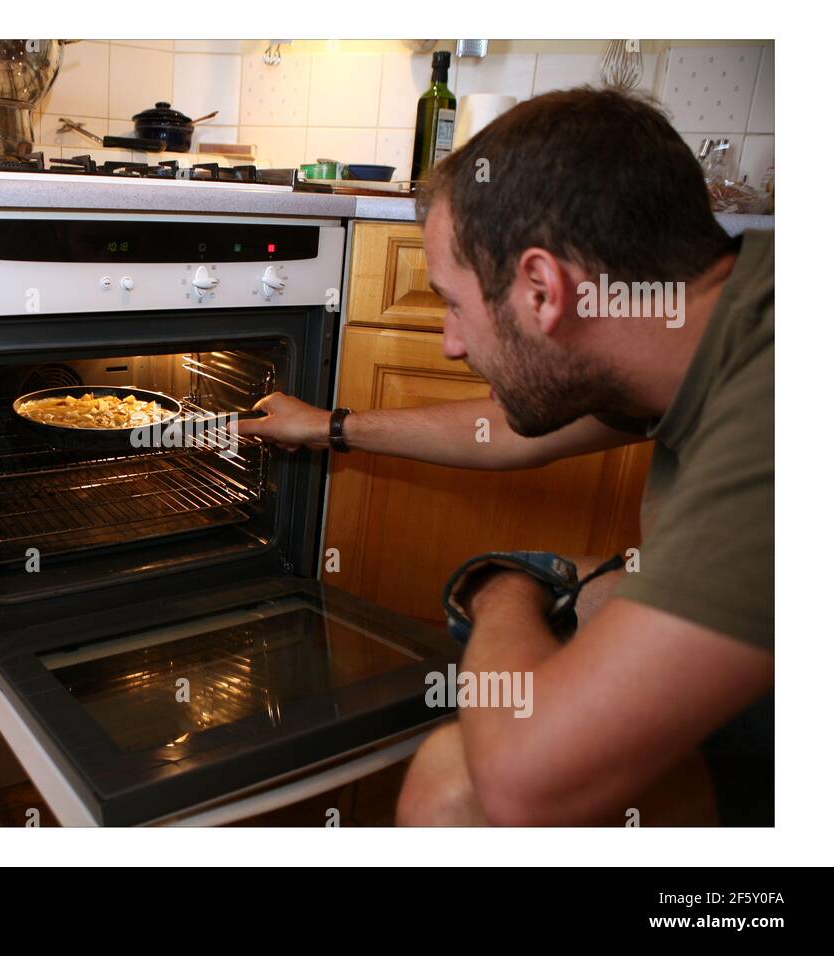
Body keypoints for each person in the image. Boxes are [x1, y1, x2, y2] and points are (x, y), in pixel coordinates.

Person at [238, 88, 774, 826]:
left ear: (544, 290)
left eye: (454, 305)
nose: (451, 343)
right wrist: (330, 425)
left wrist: (504, 584)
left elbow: (526, 785)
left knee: (456, 785)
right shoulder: (708, 315)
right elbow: (510, 429)